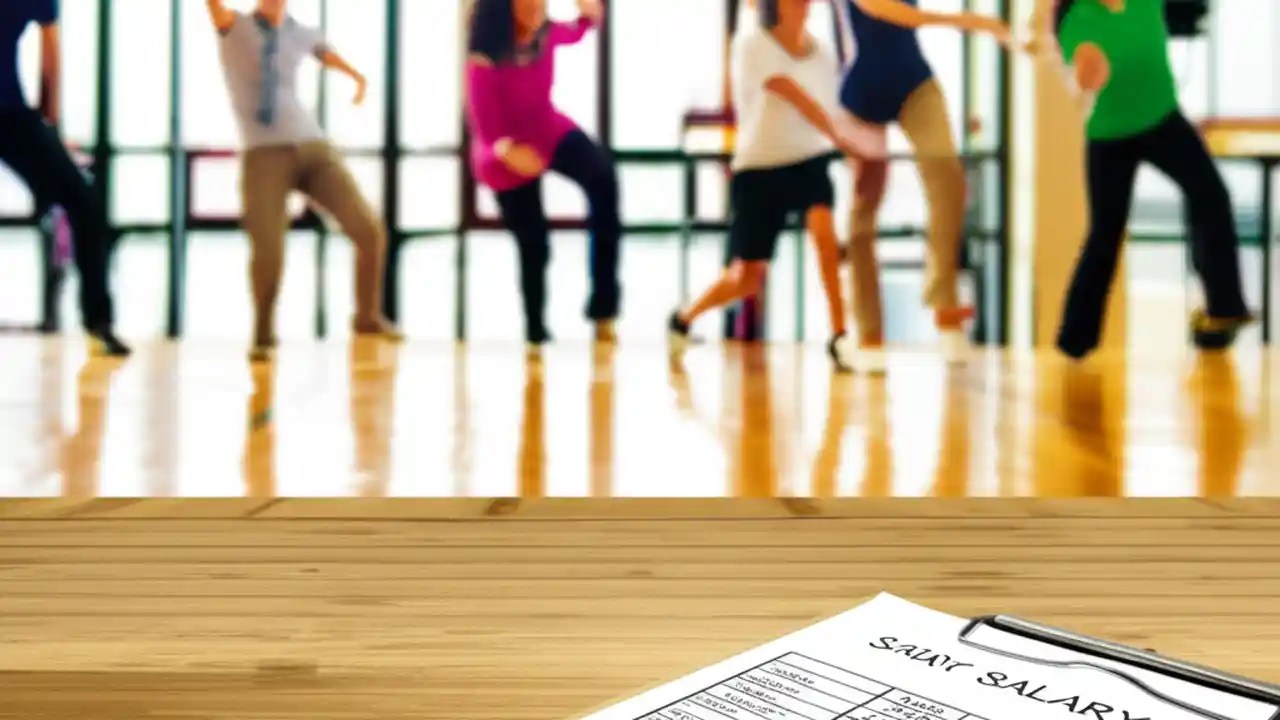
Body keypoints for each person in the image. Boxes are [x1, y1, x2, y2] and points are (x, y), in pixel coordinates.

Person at [667, 0, 867, 373]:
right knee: (746, 278)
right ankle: (683, 319)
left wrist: (846, 136)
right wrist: (839, 134)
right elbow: (786, 88)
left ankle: (840, 336)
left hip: (809, 158)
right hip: (760, 167)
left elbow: (828, 104)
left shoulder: (822, 54)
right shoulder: (752, 43)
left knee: (824, 234)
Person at [1046, 0, 1253, 358]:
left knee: (1211, 194)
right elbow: (1081, 62)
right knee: (1105, 234)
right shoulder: (1077, 18)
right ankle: (1074, 342)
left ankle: (1224, 307)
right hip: (1111, 136)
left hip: (1163, 120)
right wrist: (1086, 71)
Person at [205, 0, 401, 363]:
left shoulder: (301, 33)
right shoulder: (235, 27)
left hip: (313, 147)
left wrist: (356, 77)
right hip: (263, 154)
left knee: (369, 231)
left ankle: (367, 318)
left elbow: (325, 53)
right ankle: (263, 333)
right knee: (268, 251)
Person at [835, 0, 1009, 370]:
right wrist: (970, 20)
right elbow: (894, 12)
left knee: (949, 182)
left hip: (914, 82)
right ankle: (869, 336)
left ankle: (945, 309)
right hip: (863, 94)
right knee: (863, 210)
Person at [465, 0, 622, 354]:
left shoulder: (547, 34)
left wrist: (589, 12)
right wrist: (510, 153)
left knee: (603, 178)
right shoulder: (484, 57)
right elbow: (487, 133)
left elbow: (583, 27)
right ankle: (536, 331)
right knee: (535, 244)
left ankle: (603, 304)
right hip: (503, 152)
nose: (539, 8)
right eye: (529, 3)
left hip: (545, 129)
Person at [0, 0, 129, 356]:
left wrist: (49, 132)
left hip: (8, 115)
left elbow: (50, 60)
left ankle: (98, 322)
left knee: (84, 203)